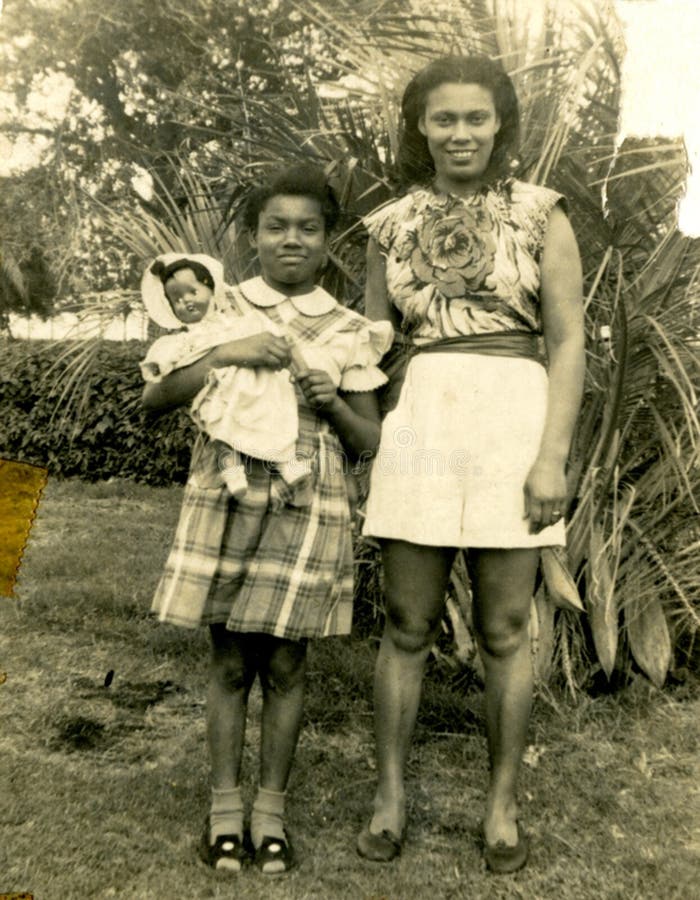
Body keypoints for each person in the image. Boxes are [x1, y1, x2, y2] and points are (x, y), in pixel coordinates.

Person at [356, 55, 585, 874]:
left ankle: (502, 805)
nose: (460, 133)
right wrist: (374, 439)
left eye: (476, 118)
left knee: (505, 628)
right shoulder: (389, 226)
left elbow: (568, 342)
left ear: (499, 125)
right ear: (420, 126)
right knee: (406, 622)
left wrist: (551, 457)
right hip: (424, 418)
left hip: (513, 419)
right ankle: (390, 798)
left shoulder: (542, 214)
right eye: (444, 118)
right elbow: (369, 351)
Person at [142, 164, 393, 875]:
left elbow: (370, 440)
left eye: (308, 228)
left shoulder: (348, 329)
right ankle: (225, 812)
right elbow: (154, 399)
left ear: (327, 239)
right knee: (229, 659)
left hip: (308, 496)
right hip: (227, 492)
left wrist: (330, 401)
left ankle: (271, 814)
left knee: (286, 662)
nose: (291, 240)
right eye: (276, 226)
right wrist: (229, 351)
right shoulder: (217, 310)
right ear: (252, 236)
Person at [140, 252, 311, 498]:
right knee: (219, 422)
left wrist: (302, 371)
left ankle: (285, 460)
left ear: (211, 290)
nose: (186, 301)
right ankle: (232, 471)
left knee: (274, 410)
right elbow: (161, 365)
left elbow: (282, 339)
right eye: (176, 299)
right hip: (218, 389)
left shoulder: (238, 322)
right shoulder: (184, 340)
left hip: (254, 384)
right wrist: (159, 365)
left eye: (193, 292)